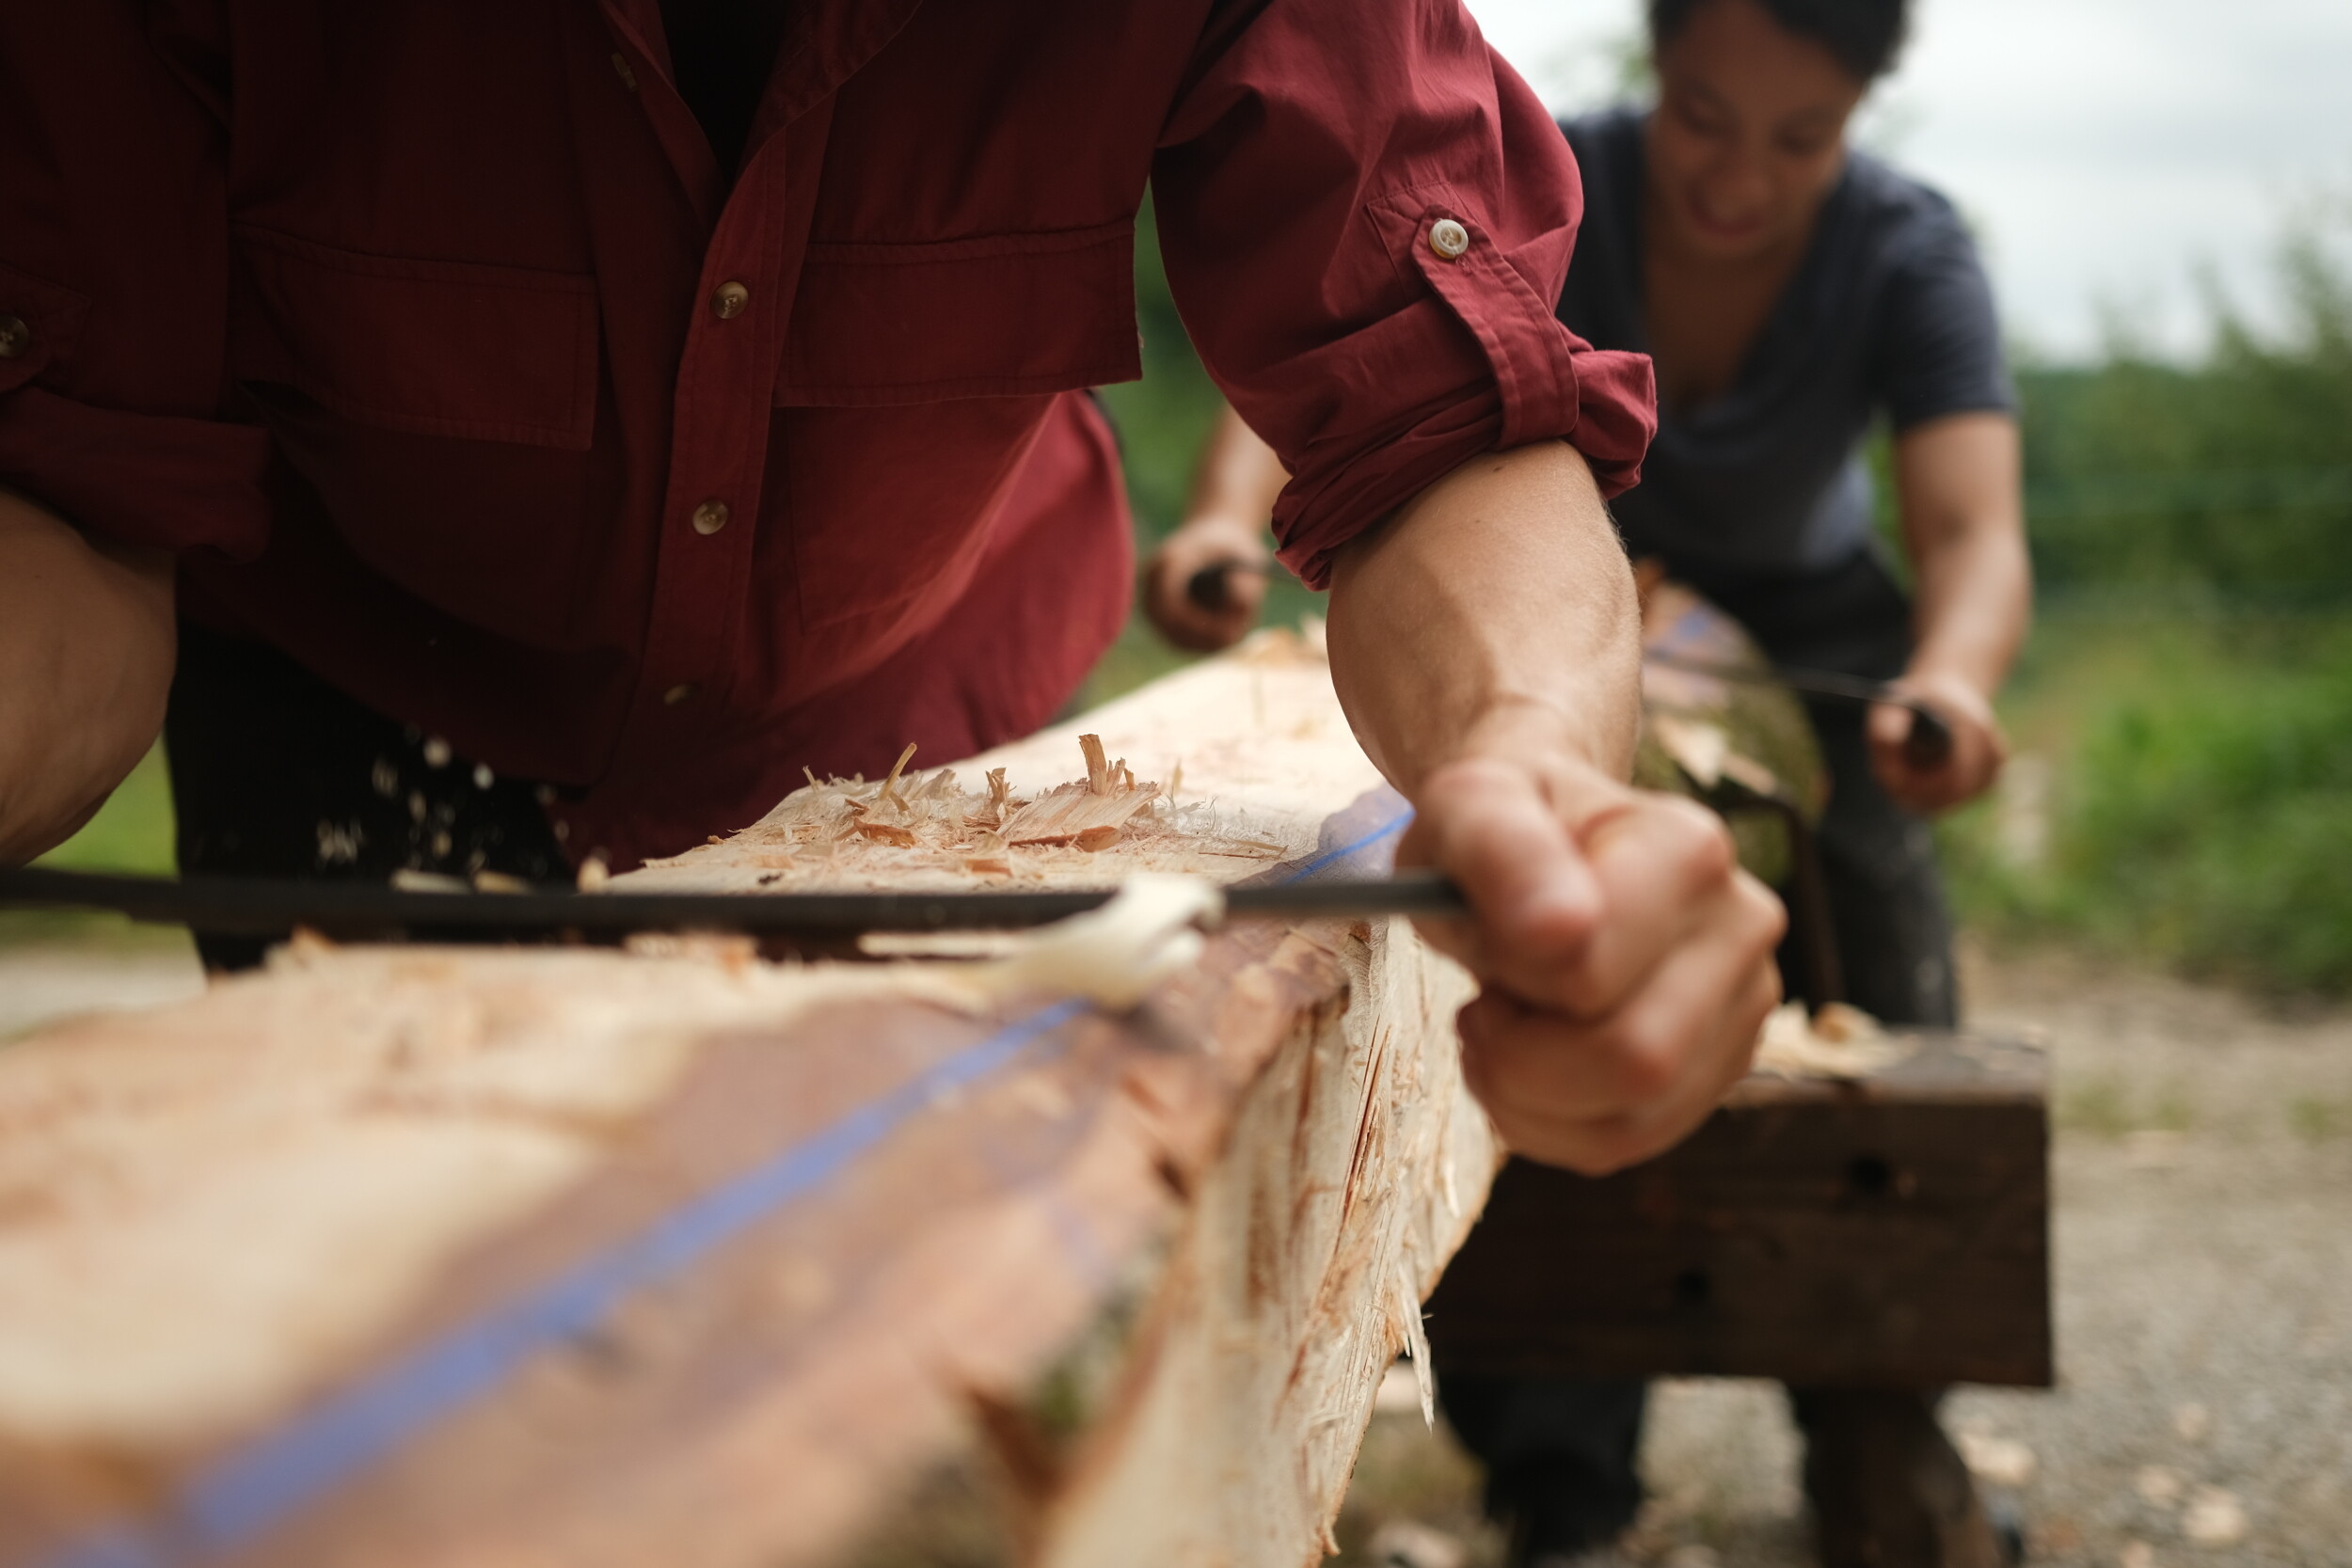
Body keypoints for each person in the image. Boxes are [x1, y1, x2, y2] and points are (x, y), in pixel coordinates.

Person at [0, 3, 1787, 1180]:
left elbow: (1444, 433)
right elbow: (68, 508)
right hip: (357, 678)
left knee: (869, 1291)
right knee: (379, 1307)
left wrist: (1532, 767)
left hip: (906, 721)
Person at [1144, 1, 2031, 1564]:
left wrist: (1949, 683)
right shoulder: (1530, 174)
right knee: (1519, 957)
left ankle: (1879, 1424)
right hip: (1555, 589)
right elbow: (1342, 350)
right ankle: (1564, 1486)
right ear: (1655, 77)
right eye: (1702, 118)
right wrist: (1228, 525)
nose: (1738, 177)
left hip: (1808, 633)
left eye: (1798, 139)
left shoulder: (1912, 251)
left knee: (1878, 943)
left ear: (1858, 121)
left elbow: (1971, 533)